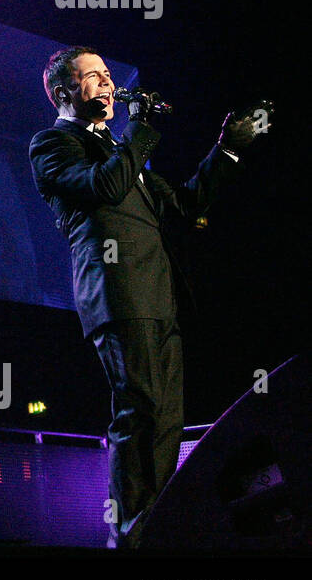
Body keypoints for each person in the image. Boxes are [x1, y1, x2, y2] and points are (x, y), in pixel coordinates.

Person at [29, 46, 269, 547]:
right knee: (140, 412)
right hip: (117, 296)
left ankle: (163, 528)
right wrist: (137, 132)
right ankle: (131, 536)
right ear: (62, 93)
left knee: (167, 419)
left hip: (159, 297)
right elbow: (107, 187)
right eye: (91, 77)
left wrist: (228, 148)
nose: (106, 84)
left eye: (107, 75)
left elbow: (186, 203)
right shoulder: (53, 144)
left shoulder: (121, 151)